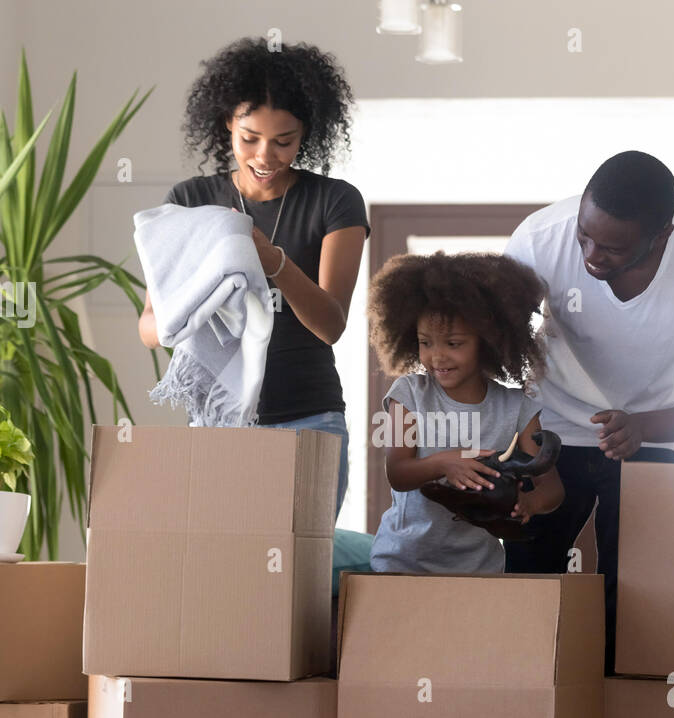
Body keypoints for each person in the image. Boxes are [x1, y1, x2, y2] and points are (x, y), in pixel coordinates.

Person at [502, 151, 674, 671]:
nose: (592, 255)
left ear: (662, 235)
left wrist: (643, 427)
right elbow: (501, 355)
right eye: (585, 237)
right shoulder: (539, 237)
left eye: (613, 248)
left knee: (640, 597)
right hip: (550, 430)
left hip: (657, 429)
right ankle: (523, 709)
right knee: (526, 580)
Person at [137, 37, 369, 517]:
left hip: (310, 417)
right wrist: (199, 296)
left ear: (307, 133)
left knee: (303, 568)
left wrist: (275, 263)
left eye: (284, 141)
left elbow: (330, 324)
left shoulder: (336, 201)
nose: (265, 156)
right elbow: (150, 330)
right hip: (218, 425)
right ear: (227, 124)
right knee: (223, 571)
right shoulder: (190, 199)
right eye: (250, 138)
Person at [367, 252, 564, 574]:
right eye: (425, 342)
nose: (437, 356)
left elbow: (553, 489)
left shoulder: (518, 409)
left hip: (478, 570)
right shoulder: (408, 394)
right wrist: (445, 463)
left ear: (488, 342)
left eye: (454, 343)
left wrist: (529, 504)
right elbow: (398, 474)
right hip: (402, 563)